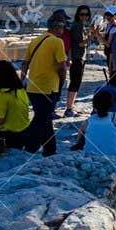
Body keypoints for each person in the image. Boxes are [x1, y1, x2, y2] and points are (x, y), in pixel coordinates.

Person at [21, 11, 69, 157]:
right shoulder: (57, 42)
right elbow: (62, 66)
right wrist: (62, 79)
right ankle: (29, 144)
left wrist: (22, 80)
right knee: (42, 119)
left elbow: (25, 63)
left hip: (32, 86)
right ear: (58, 28)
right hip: (48, 86)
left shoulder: (35, 41)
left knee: (44, 118)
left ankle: (50, 149)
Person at [73, 84, 116, 156]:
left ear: (94, 107)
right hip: (112, 155)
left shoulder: (86, 122)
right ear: (111, 105)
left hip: (89, 155)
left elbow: (78, 142)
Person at [64, 5, 93, 116]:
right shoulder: (77, 26)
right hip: (77, 58)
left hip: (79, 57)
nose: (84, 16)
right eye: (82, 14)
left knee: (76, 82)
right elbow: (80, 43)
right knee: (75, 82)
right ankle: (69, 108)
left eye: (86, 14)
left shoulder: (80, 25)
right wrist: (92, 36)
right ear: (78, 15)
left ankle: (70, 107)